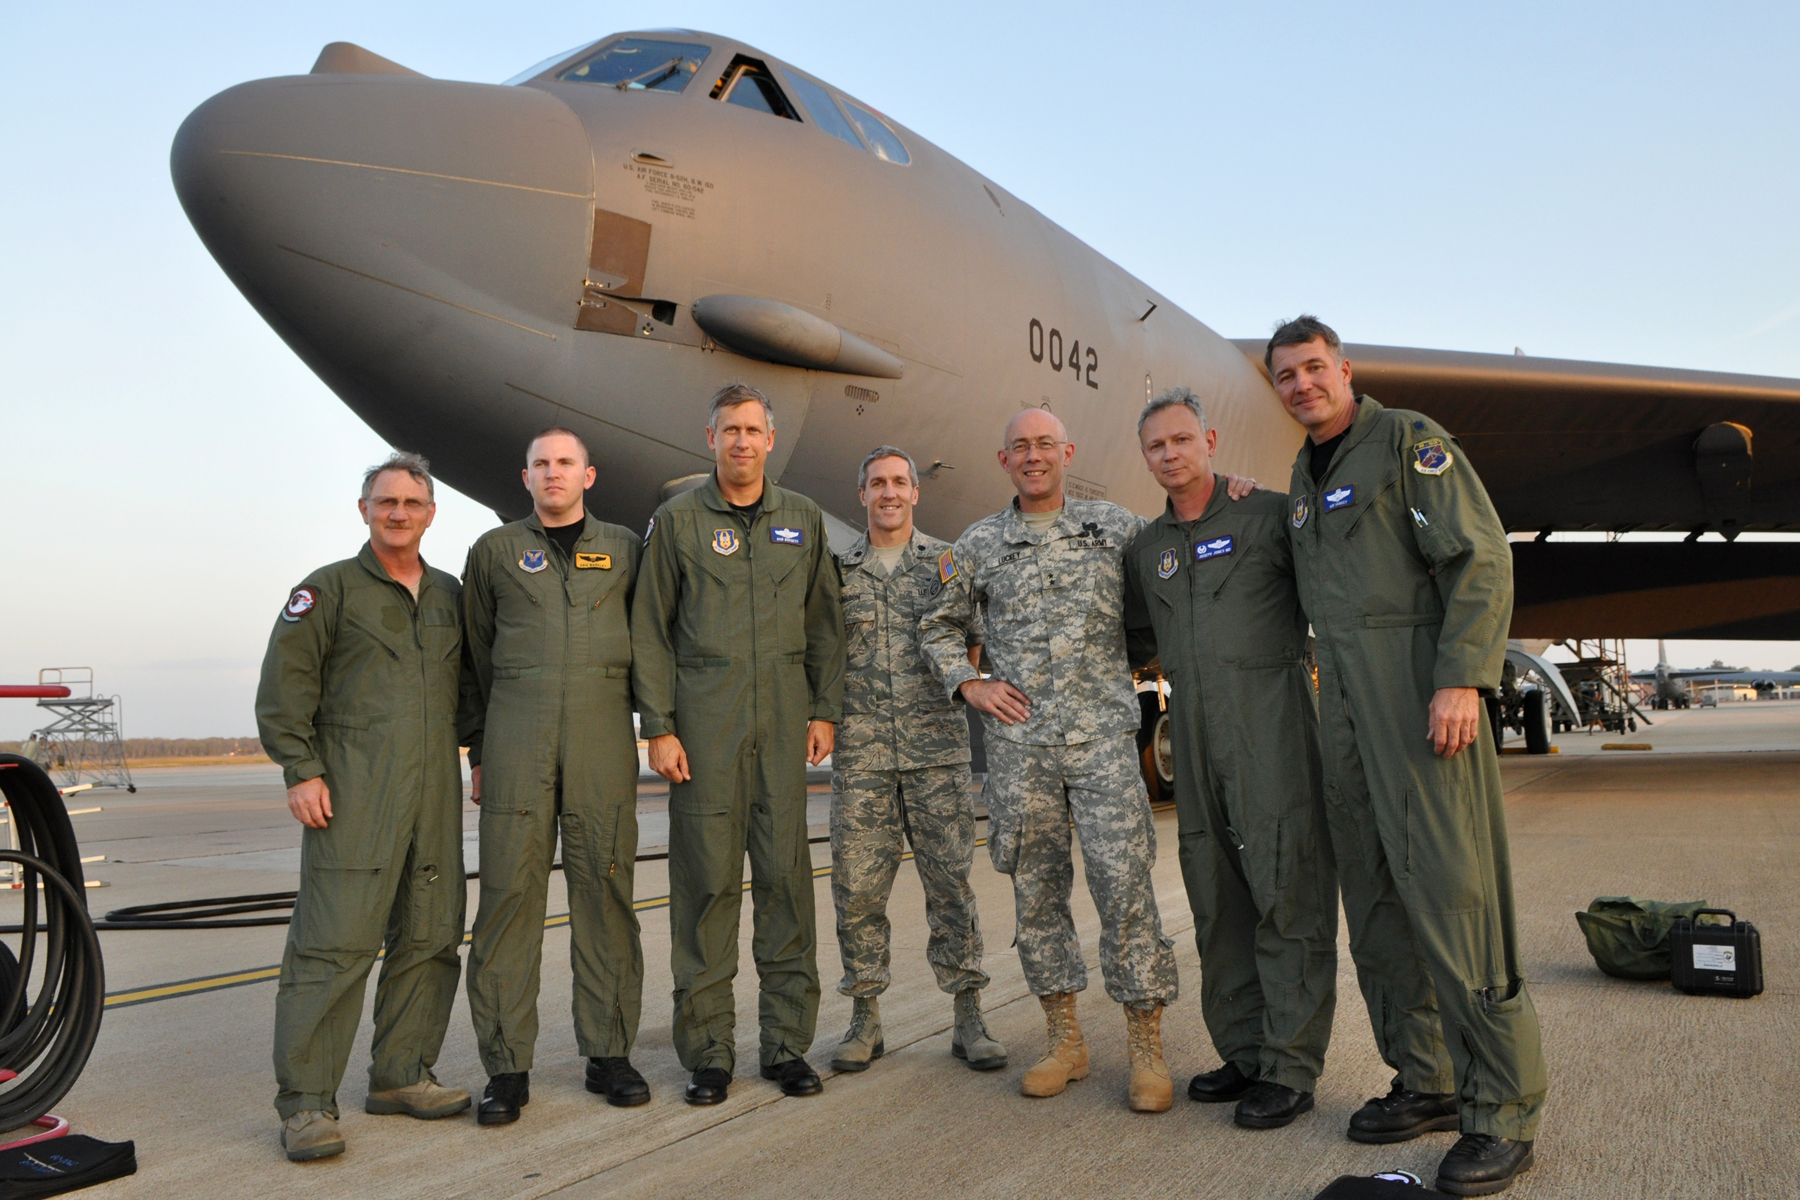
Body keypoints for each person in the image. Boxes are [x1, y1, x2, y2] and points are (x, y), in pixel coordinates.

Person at [1270, 315, 1547, 1196]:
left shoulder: (1407, 442)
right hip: (1344, 701)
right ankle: (1426, 1078)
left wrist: (1462, 676)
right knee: (1379, 897)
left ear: (1344, 369)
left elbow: (1480, 556)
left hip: (1416, 687)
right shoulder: (1305, 476)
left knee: (1454, 893)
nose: (1303, 384)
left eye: (1314, 368)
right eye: (1286, 376)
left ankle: (1501, 1108)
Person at [918, 407, 1179, 1113]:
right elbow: (937, 624)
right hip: (1019, 751)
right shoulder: (976, 545)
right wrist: (968, 681)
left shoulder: (1115, 528)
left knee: (1125, 892)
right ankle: (1065, 1041)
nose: (1033, 457)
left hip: (1101, 743)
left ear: (1067, 452)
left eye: (1044, 445)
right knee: (1036, 897)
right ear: (1003, 460)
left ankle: (1147, 1052)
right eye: (1019, 447)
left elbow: (1166, 588)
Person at [1121, 388, 1339, 1131]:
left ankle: (1290, 1066)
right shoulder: (1146, 548)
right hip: (1196, 730)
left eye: (1183, 440)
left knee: (1288, 890)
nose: (1171, 454)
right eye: (1157, 446)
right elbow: (1129, 639)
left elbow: (1330, 592)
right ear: (1144, 457)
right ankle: (1244, 1051)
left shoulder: (1267, 515)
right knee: (1216, 897)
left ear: (1210, 441)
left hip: (1272, 716)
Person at [631, 383, 845, 1105]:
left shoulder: (803, 520)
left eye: (754, 430)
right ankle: (709, 1054)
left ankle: (786, 1047)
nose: (742, 442)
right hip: (704, 731)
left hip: (785, 725)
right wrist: (657, 726)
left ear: (770, 440)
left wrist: (824, 709)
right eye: (730, 431)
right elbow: (650, 631)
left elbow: (824, 623)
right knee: (706, 891)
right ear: (711, 437)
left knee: (786, 886)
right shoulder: (678, 521)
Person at [255, 452, 471, 1162]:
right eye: (386, 502)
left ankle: (402, 1074)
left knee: (431, 936)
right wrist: (301, 769)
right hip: (353, 791)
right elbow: (285, 690)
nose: (398, 513)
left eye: (411, 503)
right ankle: (307, 1104)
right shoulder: (327, 591)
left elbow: (471, 692)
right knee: (332, 944)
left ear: (431, 513)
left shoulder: (449, 596)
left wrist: (485, 757)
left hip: (434, 789)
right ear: (364, 510)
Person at [461, 427, 647, 1125]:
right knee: (509, 901)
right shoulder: (495, 552)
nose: (554, 473)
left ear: (589, 476)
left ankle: (608, 1054)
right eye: (541, 463)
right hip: (516, 737)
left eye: (566, 463)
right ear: (526, 476)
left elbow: (650, 643)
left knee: (605, 891)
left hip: (602, 735)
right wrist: (480, 751)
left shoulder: (626, 548)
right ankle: (507, 1068)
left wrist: (657, 725)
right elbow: (474, 657)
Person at [827, 445, 1005, 1075]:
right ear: (862, 493)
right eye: (877, 483)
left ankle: (968, 1016)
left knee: (951, 886)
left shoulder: (945, 563)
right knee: (857, 890)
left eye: (900, 482)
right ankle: (864, 1018)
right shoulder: (838, 568)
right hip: (863, 754)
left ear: (915, 492)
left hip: (937, 754)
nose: (890, 493)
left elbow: (976, 641)